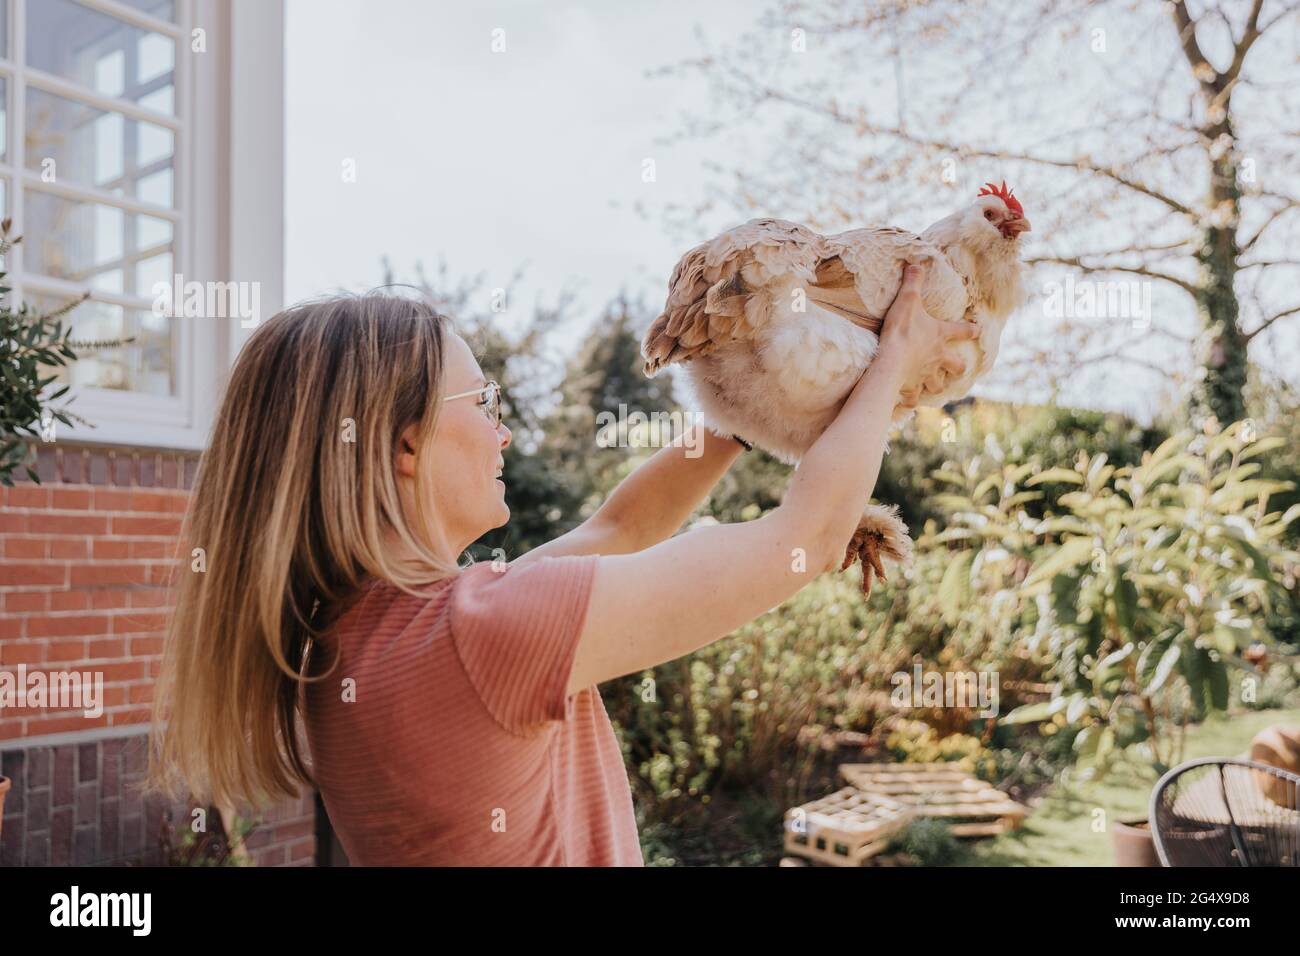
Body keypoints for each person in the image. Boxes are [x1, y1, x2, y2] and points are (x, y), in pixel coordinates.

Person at [148, 264, 976, 866]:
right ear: (404, 444)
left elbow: (619, 527)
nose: (503, 433)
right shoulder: (486, 633)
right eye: (486, 403)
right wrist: (896, 348)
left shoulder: (370, 638)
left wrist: (747, 396)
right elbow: (810, 535)